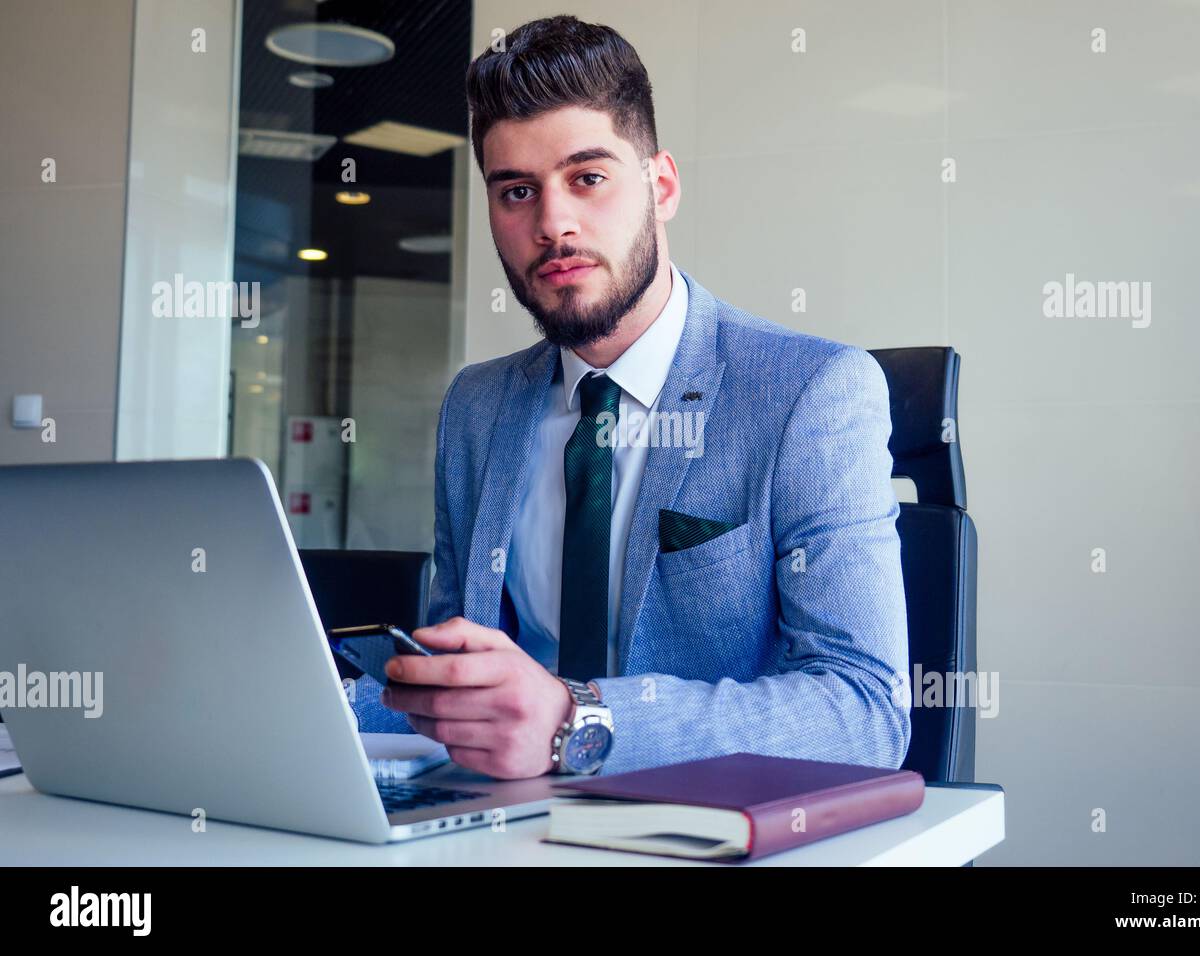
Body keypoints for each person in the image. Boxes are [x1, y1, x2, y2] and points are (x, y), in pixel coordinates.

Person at [352, 14, 909, 780]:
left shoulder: (810, 394)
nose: (554, 224)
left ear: (661, 185)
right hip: (499, 827)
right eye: (517, 191)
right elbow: (462, 680)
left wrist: (580, 724)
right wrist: (309, 694)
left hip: (707, 831)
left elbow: (864, 709)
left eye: (588, 178)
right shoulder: (477, 408)